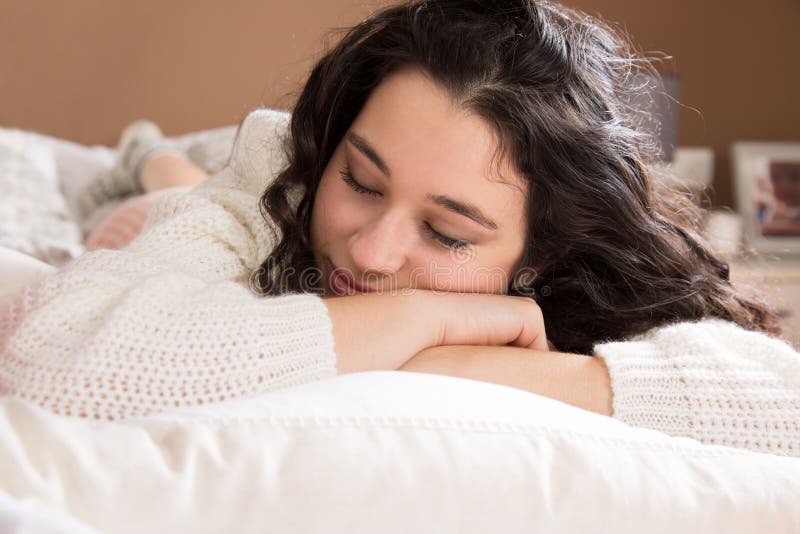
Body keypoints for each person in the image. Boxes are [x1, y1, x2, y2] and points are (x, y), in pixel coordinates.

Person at [1, 0, 798, 457]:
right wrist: (429, 310)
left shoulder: (575, 262)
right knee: (160, 191)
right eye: (362, 179)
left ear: (544, 251)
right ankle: (146, 158)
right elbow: (53, 362)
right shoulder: (274, 183)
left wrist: (460, 365)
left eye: (449, 234)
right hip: (231, 169)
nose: (374, 253)